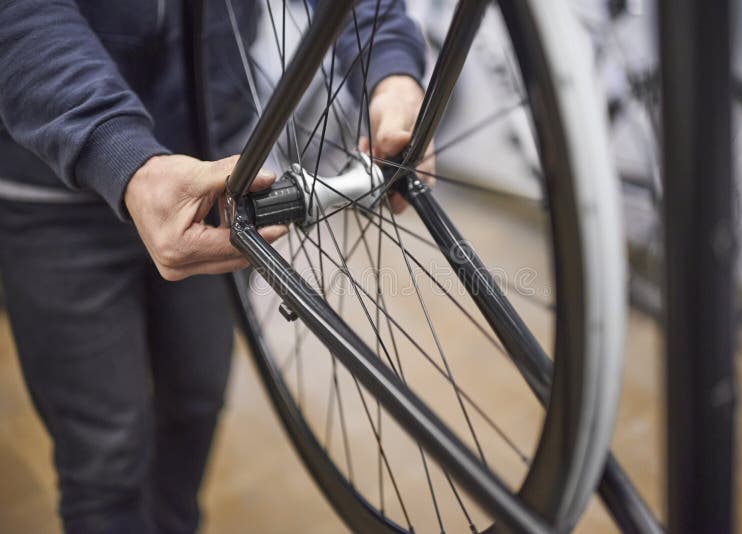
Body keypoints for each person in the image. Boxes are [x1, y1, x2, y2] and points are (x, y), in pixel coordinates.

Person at [0, 1, 426, 532]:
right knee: (105, 457)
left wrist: (391, 71)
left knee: (196, 401)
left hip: (212, 182)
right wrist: (117, 149)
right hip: (48, 194)